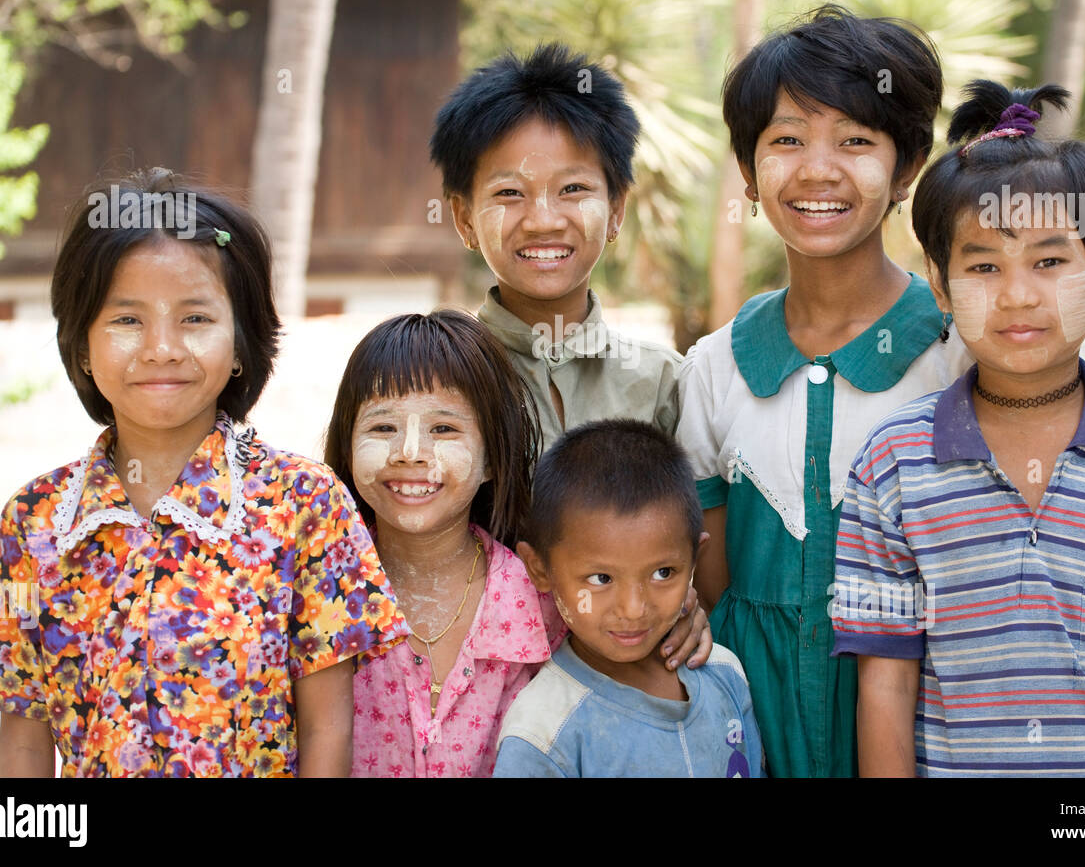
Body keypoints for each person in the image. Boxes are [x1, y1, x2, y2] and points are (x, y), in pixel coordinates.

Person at [0, 169, 405, 777]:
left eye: (195, 319)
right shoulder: (32, 522)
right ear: (81, 344)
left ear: (241, 344)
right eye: (127, 320)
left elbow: (327, 728)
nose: (162, 348)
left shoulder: (307, 505)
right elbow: (24, 742)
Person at [832, 81, 1085, 777]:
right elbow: (885, 685)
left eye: (1050, 262)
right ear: (939, 279)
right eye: (984, 265)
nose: (1018, 295)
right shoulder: (893, 464)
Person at [676, 5, 972, 776]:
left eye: (855, 141)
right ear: (747, 172)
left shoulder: (956, 354)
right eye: (786, 140)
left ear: (907, 168)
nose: (817, 170)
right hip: (753, 730)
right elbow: (714, 583)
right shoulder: (714, 368)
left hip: (924, 727)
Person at [322, 312, 711, 777]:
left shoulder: (548, 601)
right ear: (346, 446)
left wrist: (679, 610)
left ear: (492, 457)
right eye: (382, 427)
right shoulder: (317, 590)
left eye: (444, 429)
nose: (410, 450)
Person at [430, 42, 680, 452]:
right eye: (510, 192)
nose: (543, 221)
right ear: (464, 218)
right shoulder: (429, 380)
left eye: (573, 189)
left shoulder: (665, 385)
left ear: (616, 209)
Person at [493, 420, 763, 777]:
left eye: (663, 573)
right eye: (600, 579)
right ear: (540, 570)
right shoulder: (543, 731)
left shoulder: (723, 672)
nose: (634, 609)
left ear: (695, 559)